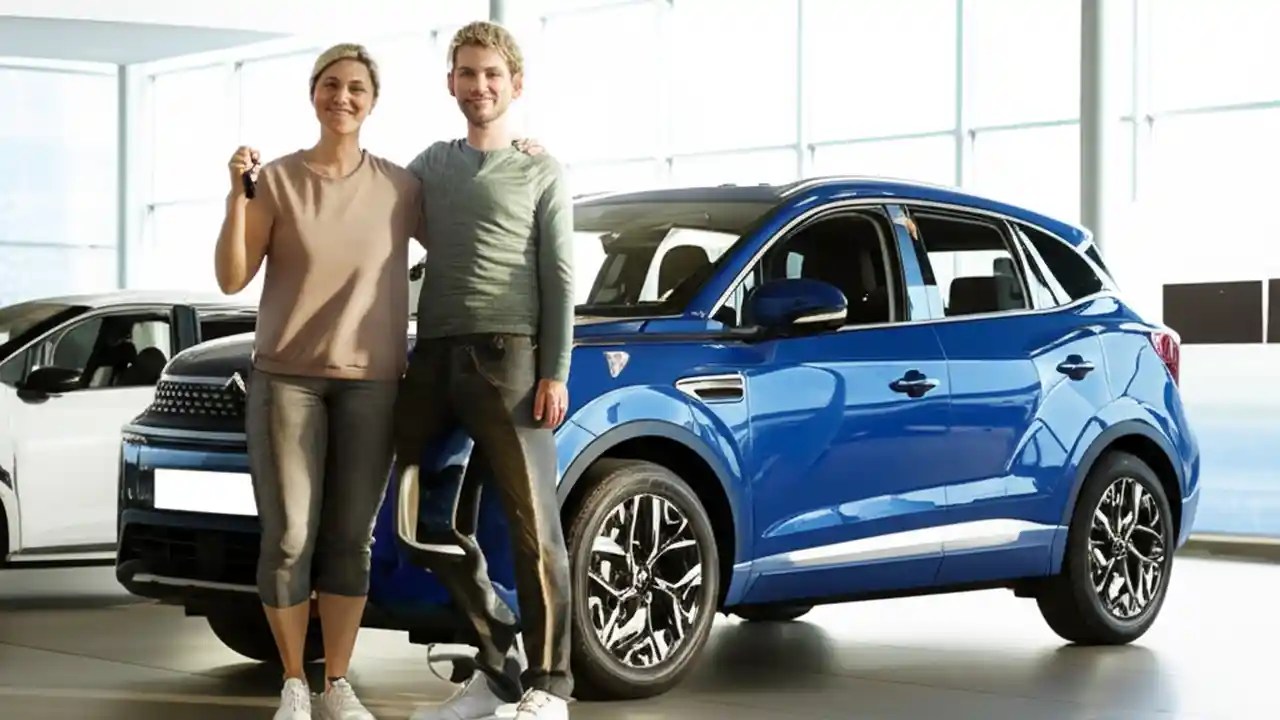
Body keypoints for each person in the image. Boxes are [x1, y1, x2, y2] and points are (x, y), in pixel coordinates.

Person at [216, 42, 542, 720]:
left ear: (373, 100)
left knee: (349, 541)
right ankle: (294, 686)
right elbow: (231, 276)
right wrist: (233, 198)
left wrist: (518, 159)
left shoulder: (401, 186)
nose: (343, 97)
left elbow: (471, 219)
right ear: (314, 93)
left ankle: (336, 684)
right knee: (289, 538)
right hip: (288, 382)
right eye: (332, 85)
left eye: (357, 87)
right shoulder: (274, 179)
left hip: (373, 382)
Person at [393, 20, 575, 720]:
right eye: (467, 74)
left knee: (535, 529)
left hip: (511, 361)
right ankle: (501, 656)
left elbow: (560, 278)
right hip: (432, 358)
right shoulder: (429, 168)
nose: (480, 86)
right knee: (418, 520)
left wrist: (554, 369)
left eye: (492, 74)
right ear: (451, 84)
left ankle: (550, 685)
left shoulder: (540, 170)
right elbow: (375, 213)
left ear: (515, 84)